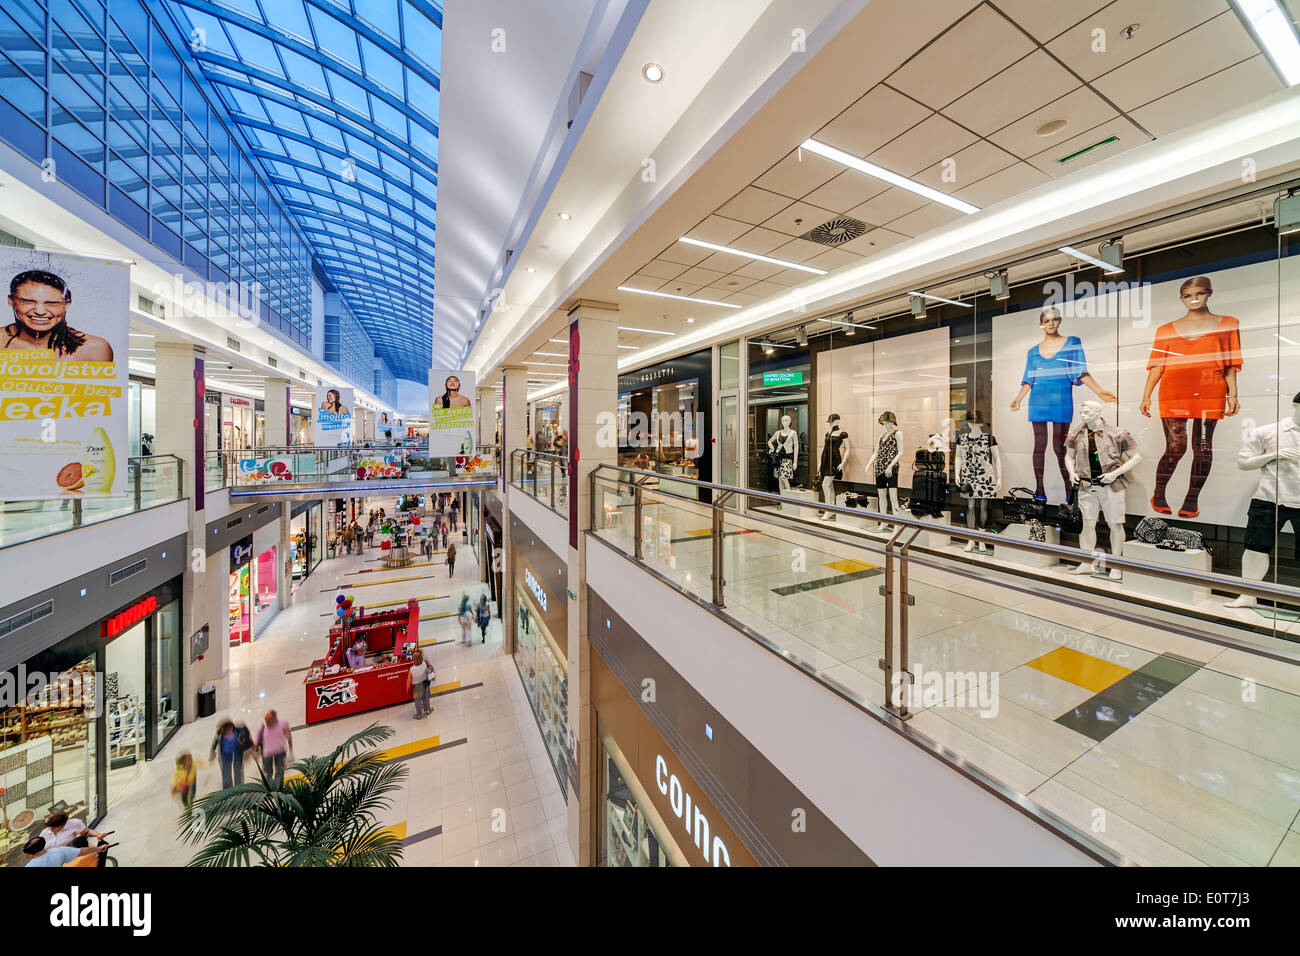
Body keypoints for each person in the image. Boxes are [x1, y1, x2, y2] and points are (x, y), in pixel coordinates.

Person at [1140, 276, 1242, 518]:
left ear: (1209, 293)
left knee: (1203, 448)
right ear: (1181, 298)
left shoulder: (1228, 323)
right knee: (1177, 447)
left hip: (1210, 392)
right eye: (1188, 295)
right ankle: (1160, 493)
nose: (1194, 299)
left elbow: (1230, 363)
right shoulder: (1165, 330)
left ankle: (1191, 500)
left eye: (1200, 293)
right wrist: (1146, 395)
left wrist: (1233, 394)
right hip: (1174, 394)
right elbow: (1157, 365)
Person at [1008, 306, 1117, 501]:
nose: (1051, 323)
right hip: (1038, 401)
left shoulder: (1072, 343)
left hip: (1061, 400)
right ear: (1041, 324)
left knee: (1061, 447)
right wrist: (1018, 399)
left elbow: (1080, 371)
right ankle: (1039, 489)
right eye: (1047, 320)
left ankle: (1070, 488)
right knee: (1039, 445)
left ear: (1059, 321)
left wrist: (1099, 391)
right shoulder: (1033, 351)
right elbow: (1028, 379)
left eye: (1054, 319)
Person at [4, 269, 114, 359]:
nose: (40, 311)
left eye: (52, 304)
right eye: (28, 302)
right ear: (11, 301)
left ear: (66, 305)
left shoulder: (94, 348)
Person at [209, 718, 253, 789]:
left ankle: (239, 789)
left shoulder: (238, 731)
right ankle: (228, 790)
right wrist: (212, 753)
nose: (229, 733)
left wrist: (243, 742)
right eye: (227, 732)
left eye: (231, 731)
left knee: (238, 771)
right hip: (225, 755)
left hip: (237, 753)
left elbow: (246, 740)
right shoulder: (219, 734)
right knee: (226, 773)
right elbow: (214, 744)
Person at [254, 710, 293, 789]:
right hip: (267, 754)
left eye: (269, 721)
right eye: (266, 721)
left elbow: (288, 733)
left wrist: (290, 745)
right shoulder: (263, 727)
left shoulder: (283, 722)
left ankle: (277, 788)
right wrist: (254, 754)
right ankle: (268, 787)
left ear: (275, 718)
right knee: (268, 773)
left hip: (280, 751)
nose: (267, 723)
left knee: (279, 771)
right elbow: (257, 741)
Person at [23, 836, 109, 867]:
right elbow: (83, 850)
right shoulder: (60, 851)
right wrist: (99, 848)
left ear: (30, 854)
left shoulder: (31, 865)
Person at [39, 812, 105, 850]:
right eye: (51, 827)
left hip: (69, 855)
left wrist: (98, 835)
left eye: (55, 827)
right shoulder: (44, 833)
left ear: (64, 823)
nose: (52, 829)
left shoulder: (73, 823)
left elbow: (86, 832)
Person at [407, 648, 434, 719]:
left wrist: (407, 688)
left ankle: (418, 715)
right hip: (426, 683)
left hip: (417, 686)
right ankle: (427, 710)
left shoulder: (412, 669)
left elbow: (409, 680)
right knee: (426, 698)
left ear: (414, 659)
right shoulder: (424, 663)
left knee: (418, 701)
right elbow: (431, 667)